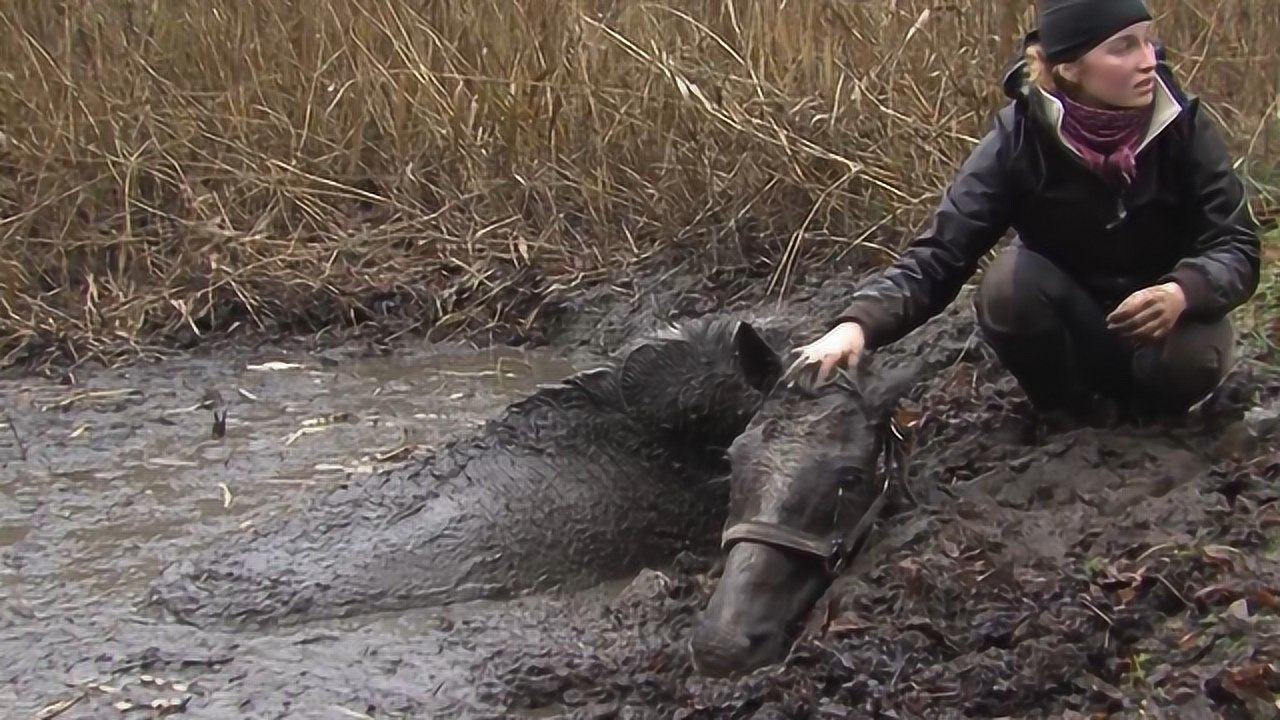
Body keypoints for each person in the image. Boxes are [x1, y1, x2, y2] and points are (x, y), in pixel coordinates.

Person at [795, 0, 1261, 426]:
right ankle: (1071, 413)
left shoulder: (1183, 126)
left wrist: (1182, 291)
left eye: (1147, 39)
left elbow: (1236, 244)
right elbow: (939, 254)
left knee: (1194, 356)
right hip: (1074, 327)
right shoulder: (1017, 141)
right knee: (1006, 286)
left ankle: (1155, 418)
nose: (1149, 60)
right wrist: (856, 325)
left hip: (1167, 332)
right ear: (1071, 68)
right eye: (1123, 48)